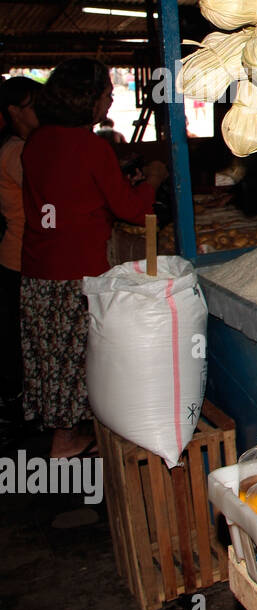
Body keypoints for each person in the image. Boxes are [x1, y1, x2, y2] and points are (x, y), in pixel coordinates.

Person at [21, 60, 167, 458]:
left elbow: (65, 196)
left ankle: (61, 436)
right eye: (106, 92)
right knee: (84, 356)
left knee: (52, 356)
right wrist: (152, 179)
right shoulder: (90, 146)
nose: (111, 98)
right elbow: (132, 211)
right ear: (85, 99)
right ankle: (69, 443)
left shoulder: (36, 142)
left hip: (38, 268)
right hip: (77, 272)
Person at [1, 76, 40, 436]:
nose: (39, 112)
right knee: (21, 343)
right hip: (20, 257)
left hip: (23, 257)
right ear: (14, 112)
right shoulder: (16, 151)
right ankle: (18, 414)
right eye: (32, 106)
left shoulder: (27, 147)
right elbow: (43, 190)